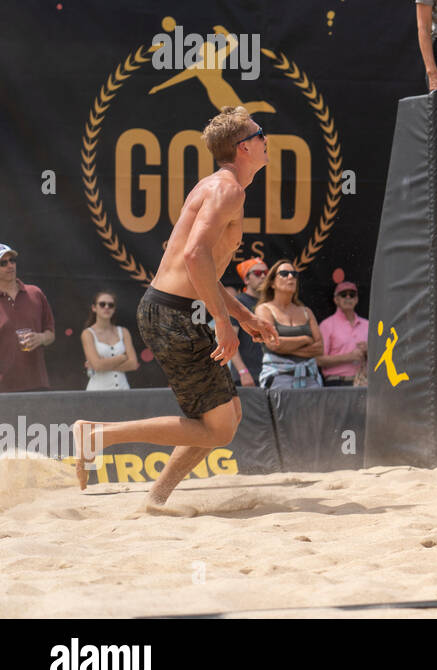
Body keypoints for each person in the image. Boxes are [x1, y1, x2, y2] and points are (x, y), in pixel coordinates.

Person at [71, 107, 280, 507]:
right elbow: (194, 255)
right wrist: (223, 321)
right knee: (219, 430)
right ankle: (96, 437)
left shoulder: (220, 186)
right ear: (242, 148)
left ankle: (157, 498)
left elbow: (206, 270)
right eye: (259, 134)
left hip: (172, 309)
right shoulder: (227, 190)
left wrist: (246, 316)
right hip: (171, 313)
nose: (265, 139)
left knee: (227, 417)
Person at [255, 260, 325, 389]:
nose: (291, 277)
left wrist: (285, 348)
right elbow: (273, 344)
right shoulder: (263, 309)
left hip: (310, 377)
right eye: (284, 273)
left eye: (294, 274)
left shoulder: (306, 311)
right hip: (278, 377)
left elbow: (319, 348)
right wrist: (305, 339)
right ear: (272, 283)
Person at [0, 244, 55, 392]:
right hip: (5, 388)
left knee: (29, 417)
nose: (10, 266)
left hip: (36, 383)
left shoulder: (35, 293)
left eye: (12, 260)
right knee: (17, 417)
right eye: (3, 263)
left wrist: (40, 338)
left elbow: (51, 333)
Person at [81, 291, 139, 391]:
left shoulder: (124, 332)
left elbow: (133, 364)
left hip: (123, 390)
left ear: (114, 309)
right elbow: (97, 365)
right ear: (94, 308)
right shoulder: (88, 334)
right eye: (102, 304)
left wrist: (103, 364)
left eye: (111, 305)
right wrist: (122, 357)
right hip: (97, 392)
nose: (106, 307)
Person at [225, 257, 267, 388]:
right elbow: (230, 343)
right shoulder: (237, 303)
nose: (263, 277)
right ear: (246, 279)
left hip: (272, 374)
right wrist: (243, 372)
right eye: (258, 273)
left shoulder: (272, 302)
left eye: (266, 273)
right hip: (247, 377)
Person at [317, 280, 368, 386]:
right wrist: (349, 357)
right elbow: (318, 360)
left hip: (364, 382)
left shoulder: (368, 325)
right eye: (343, 295)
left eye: (352, 295)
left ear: (357, 299)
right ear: (336, 299)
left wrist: (369, 350)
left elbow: (384, 354)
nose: (348, 298)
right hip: (337, 382)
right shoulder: (326, 325)